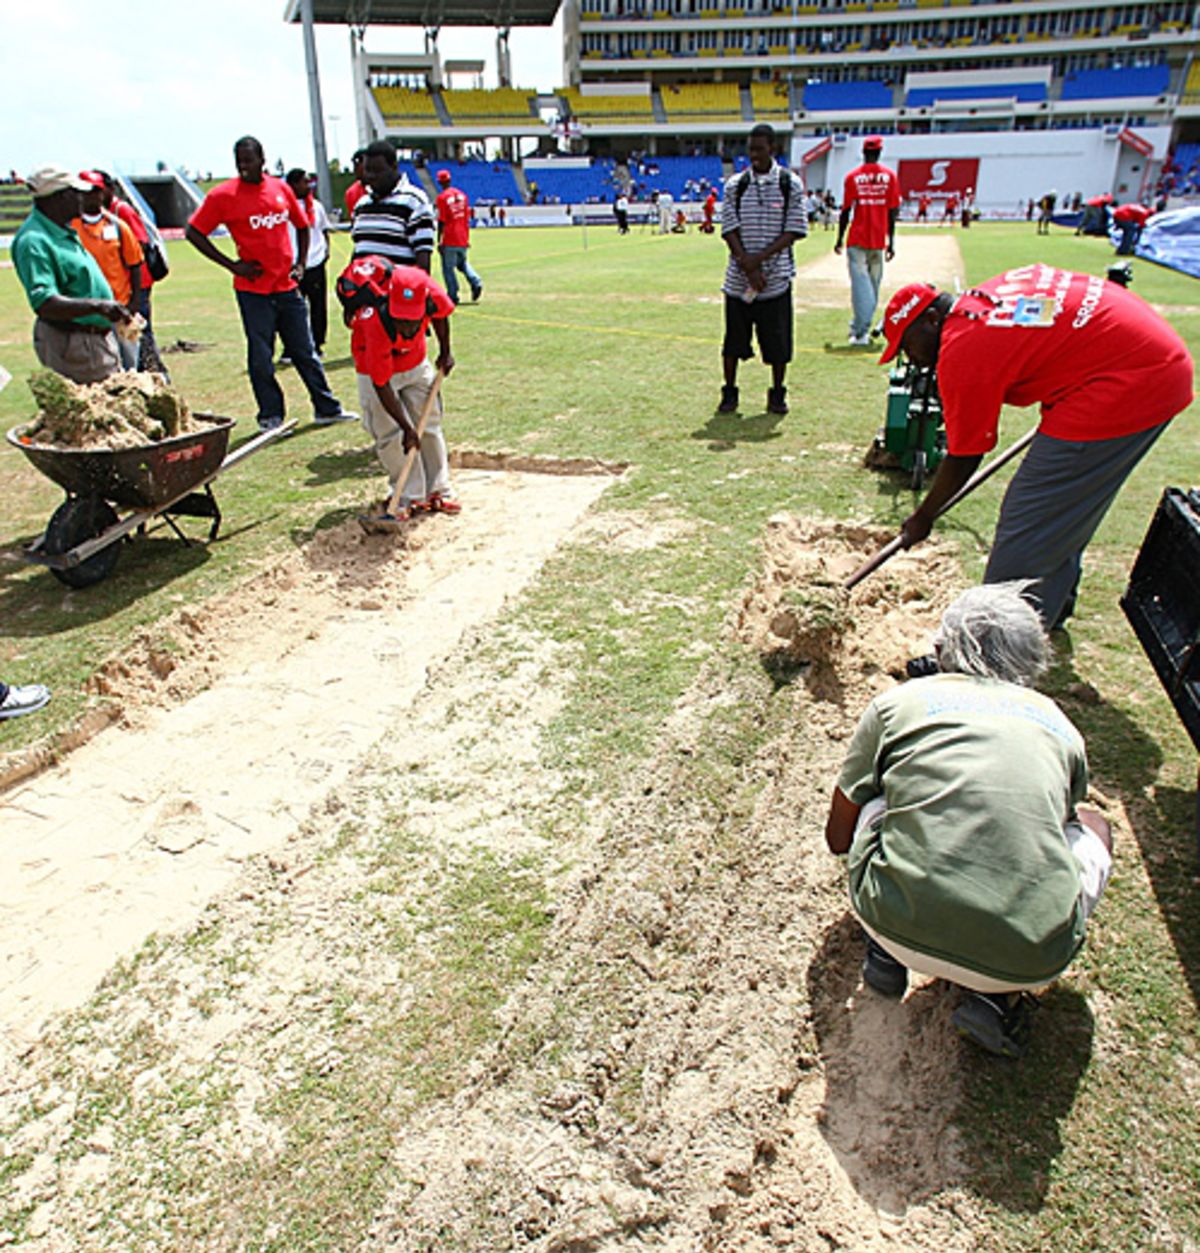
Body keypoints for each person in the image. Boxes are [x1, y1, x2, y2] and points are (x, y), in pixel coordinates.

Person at [825, 583, 1113, 1058]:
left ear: (939, 650)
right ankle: (992, 998)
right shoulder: (1060, 726)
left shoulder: (899, 705)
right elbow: (1051, 829)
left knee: (879, 789)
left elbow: (839, 837)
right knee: (1092, 825)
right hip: (1028, 960)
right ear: (1035, 661)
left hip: (889, 919)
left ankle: (887, 951)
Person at [879, 266, 1193, 630]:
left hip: (1130, 379)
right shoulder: (980, 302)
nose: (911, 358)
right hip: (1142, 362)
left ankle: (993, 644)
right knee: (1063, 511)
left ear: (931, 319)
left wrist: (924, 516)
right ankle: (1044, 613)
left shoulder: (961, 347)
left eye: (907, 345)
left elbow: (965, 453)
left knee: (1030, 516)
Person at [186, 136, 355, 434]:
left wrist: (301, 264)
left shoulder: (280, 189)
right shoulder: (222, 196)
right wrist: (232, 265)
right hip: (253, 292)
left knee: (305, 350)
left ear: (262, 159)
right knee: (261, 355)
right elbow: (194, 232)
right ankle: (271, 416)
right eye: (239, 161)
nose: (243, 166)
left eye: (249, 160)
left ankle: (326, 408)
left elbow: (303, 226)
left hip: (286, 287)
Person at [335, 255, 460, 517]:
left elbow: (441, 315)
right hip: (376, 369)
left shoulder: (428, 291)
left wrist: (445, 352)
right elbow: (381, 385)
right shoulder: (373, 322)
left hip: (415, 362)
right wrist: (405, 428)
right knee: (390, 435)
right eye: (400, 320)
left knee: (428, 424)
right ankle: (408, 494)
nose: (407, 326)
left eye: (413, 320)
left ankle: (438, 489)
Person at [718, 123, 808, 417]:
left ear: (773, 148)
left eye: (759, 149)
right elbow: (729, 227)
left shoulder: (789, 184)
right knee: (733, 342)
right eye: (751, 149)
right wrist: (746, 262)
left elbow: (794, 229)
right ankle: (729, 393)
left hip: (775, 279)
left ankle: (777, 393)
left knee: (778, 344)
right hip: (738, 280)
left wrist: (759, 260)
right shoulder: (735, 185)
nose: (754, 155)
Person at [11, 165, 131, 384]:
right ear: (58, 198)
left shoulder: (61, 231)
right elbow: (45, 302)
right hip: (75, 345)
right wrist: (98, 307)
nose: (82, 198)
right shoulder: (34, 241)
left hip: (94, 340)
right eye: (76, 192)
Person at [72, 171, 143, 371]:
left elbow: (135, 263)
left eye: (95, 191)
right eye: (85, 192)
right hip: (87, 311)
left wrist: (135, 302)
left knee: (130, 368)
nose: (90, 196)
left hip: (119, 308)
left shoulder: (118, 226)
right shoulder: (70, 228)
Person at [834, 135, 900, 347]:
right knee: (872, 285)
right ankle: (860, 328)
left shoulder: (853, 177)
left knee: (861, 286)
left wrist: (839, 238)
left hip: (857, 239)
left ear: (863, 153)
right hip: (878, 240)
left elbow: (845, 211)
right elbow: (892, 211)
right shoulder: (890, 177)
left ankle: (860, 329)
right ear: (879, 153)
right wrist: (892, 241)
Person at [100, 171, 167, 376]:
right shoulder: (101, 215)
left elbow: (141, 245)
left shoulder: (121, 211)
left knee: (140, 334)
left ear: (110, 189)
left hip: (138, 284)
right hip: (123, 287)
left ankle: (157, 378)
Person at [351, 140, 435, 273]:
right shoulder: (361, 206)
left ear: (394, 166)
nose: (371, 176)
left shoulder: (415, 202)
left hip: (400, 292)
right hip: (365, 292)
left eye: (378, 171)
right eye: (368, 170)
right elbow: (358, 251)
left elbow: (423, 266)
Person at [285, 168, 332, 357]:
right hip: (292, 265)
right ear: (294, 185)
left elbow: (324, 230)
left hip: (315, 262)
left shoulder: (317, 207)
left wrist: (326, 251)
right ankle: (291, 348)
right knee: (292, 309)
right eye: (305, 182)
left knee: (318, 307)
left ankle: (317, 344)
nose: (309, 185)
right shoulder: (283, 208)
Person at [433, 168, 483, 305]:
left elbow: (442, 221)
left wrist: (439, 241)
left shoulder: (442, 198)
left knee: (448, 268)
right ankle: (476, 281)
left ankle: (453, 294)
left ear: (439, 182)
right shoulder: (463, 195)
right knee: (462, 264)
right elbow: (466, 218)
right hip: (462, 237)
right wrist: (467, 238)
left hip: (450, 238)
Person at [344, 149, 368, 219]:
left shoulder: (380, 187)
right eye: (355, 165)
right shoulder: (351, 192)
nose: (355, 169)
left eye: (358, 165)